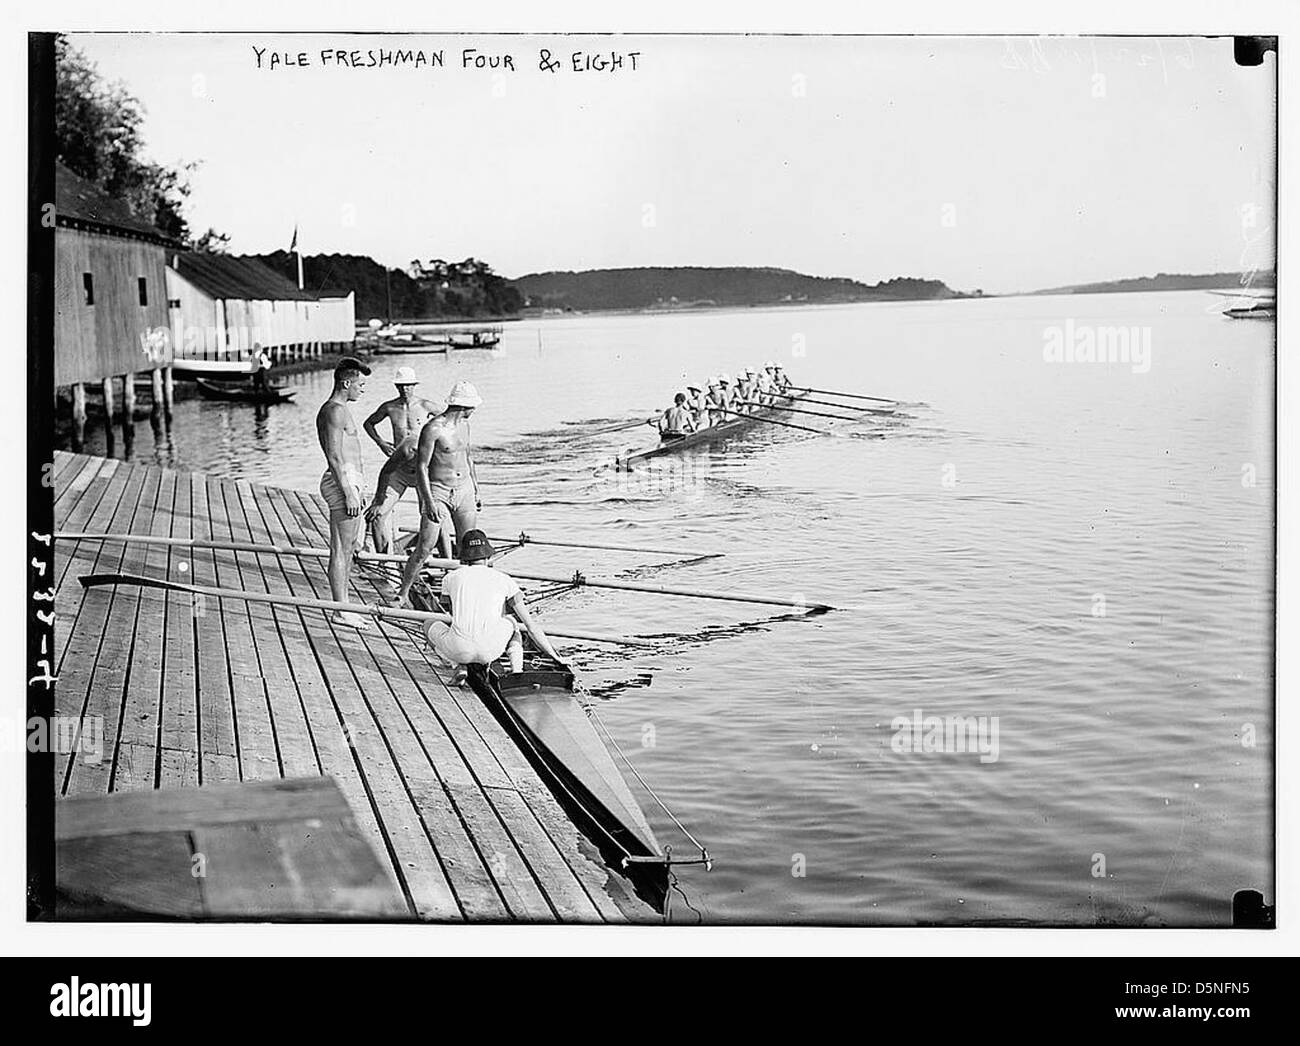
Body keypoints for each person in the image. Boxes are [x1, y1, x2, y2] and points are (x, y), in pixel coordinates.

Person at [423, 530, 567, 686]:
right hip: (490, 652)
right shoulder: (505, 580)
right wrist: (555, 656)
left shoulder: (449, 578)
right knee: (512, 622)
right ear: (488, 556)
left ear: (464, 557)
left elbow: (451, 613)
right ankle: (516, 673)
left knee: (428, 623)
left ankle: (457, 665)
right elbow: (531, 627)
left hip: (459, 649)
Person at [393, 380, 484, 606]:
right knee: (425, 545)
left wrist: (477, 489)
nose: (475, 410)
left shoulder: (465, 426)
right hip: (438, 491)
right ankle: (402, 594)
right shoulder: (433, 429)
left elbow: (468, 457)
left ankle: (465, 597)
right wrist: (429, 501)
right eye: (473, 406)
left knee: (469, 548)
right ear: (464, 406)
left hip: (464, 491)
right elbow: (422, 467)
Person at [316, 356, 373, 630]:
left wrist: (358, 486)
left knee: (349, 547)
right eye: (360, 384)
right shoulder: (334, 411)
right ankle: (340, 610)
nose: (363, 389)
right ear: (346, 382)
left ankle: (345, 605)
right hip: (343, 481)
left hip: (351, 480)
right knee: (340, 548)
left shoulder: (341, 409)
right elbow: (334, 456)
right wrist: (348, 490)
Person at [363, 367, 444, 553]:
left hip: (423, 468)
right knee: (377, 515)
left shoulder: (426, 406)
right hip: (399, 467)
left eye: (408, 385)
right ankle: (384, 562)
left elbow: (447, 425)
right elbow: (368, 423)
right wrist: (381, 443)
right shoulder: (389, 407)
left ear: (414, 385)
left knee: (431, 516)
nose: (404, 389)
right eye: (401, 386)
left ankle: (440, 558)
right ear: (396, 386)